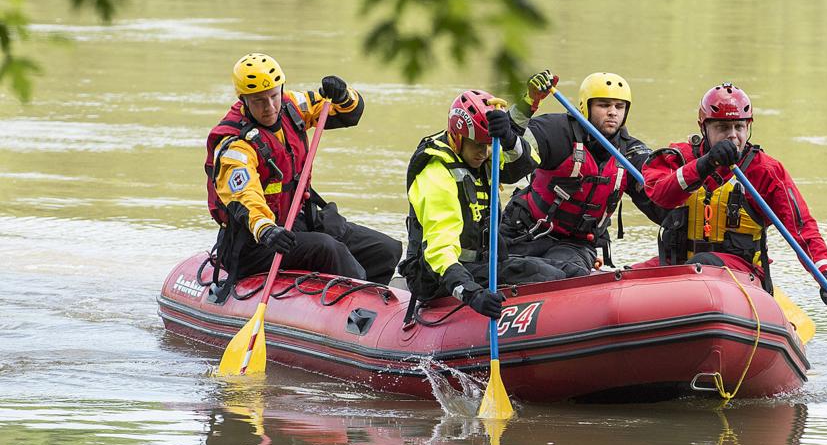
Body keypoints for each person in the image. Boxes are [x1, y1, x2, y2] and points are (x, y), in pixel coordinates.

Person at [639, 82, 827, 313]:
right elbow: (659, 195)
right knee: (624, 277)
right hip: (676, 266)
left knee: (703, 265)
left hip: (740, 275)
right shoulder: (678, 158)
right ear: (704, 128)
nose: (732, 136)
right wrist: (706, 164)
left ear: (748, 127)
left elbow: (802, 229)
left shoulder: (765, 171)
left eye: (739, 127)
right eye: (722, 127)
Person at [204, 53, 403, 298]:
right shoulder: (236, 147)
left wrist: (343, 95)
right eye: (259, 101)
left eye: (273, 96)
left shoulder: (292, 105)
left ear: (281, 90)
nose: (270, 107)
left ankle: (373, 313)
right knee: (328, 249)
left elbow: (348, 113)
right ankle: (359, 305)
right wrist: (267, 230)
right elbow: (246, 198)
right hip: (254, 242)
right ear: (243, 99)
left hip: (295, 220)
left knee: (386, 250)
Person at [396, 89, 568, 320]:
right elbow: (440, 251)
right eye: (477, 144)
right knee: (543, 273)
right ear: (457, 137)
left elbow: (526, 164)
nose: (484, 152)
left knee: (569, 270)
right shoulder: (436, 175)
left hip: (481, 264)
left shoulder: (483, 155)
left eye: (489, 144)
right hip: (435, 274)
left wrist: (508, 138)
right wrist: (472, 294)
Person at [491, 70, 665, 276]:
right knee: (523, 270)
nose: (613, 112)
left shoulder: (631, 153)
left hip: (575, 244)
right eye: (603, 105)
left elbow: (659, 195)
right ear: (585, 106)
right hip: (522, 232)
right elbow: (510, 159)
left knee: (560, 274)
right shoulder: (555, 131)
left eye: (619, 106)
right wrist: (527, 104)